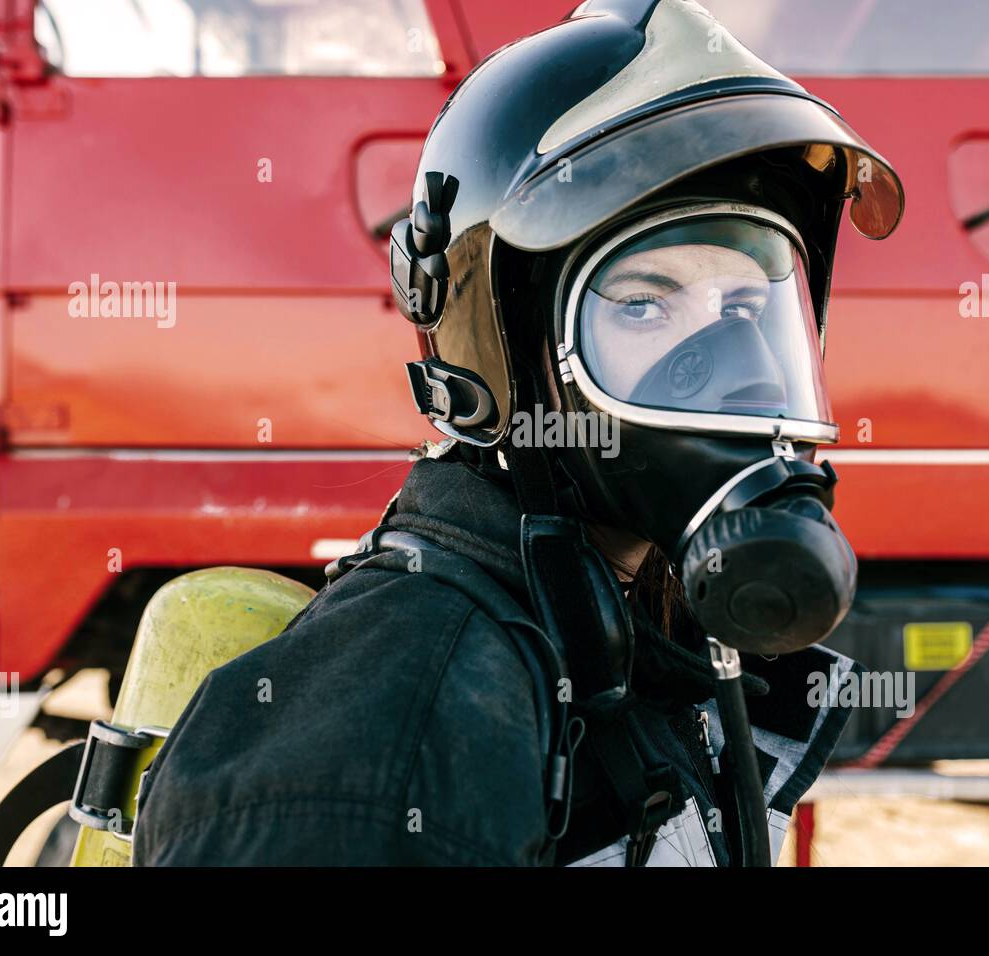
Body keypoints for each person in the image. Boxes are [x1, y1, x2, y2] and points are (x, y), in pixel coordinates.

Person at [132, 0, 904, 867]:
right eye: (645, 302)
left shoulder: (648, 643)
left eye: (745, 309)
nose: (734, 370)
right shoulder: (384, 748)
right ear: (511, 357)